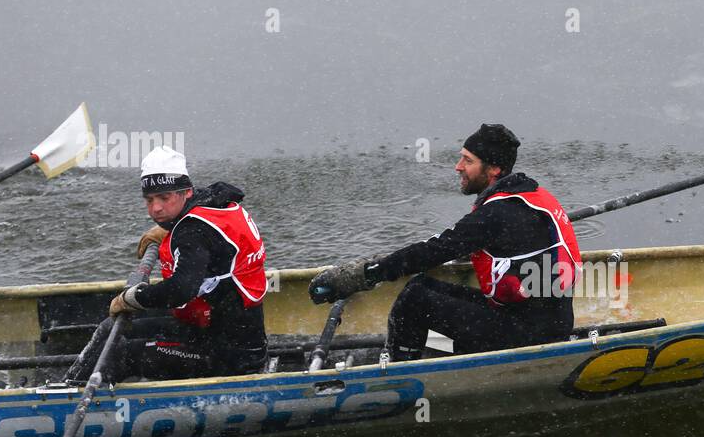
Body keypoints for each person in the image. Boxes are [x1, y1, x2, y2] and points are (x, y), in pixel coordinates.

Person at [309, 124, 580, 361]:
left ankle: (403, 373)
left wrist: (364, 275)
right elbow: (516, 244)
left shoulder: (495, 214)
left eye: (468, 161)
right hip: (545, 321)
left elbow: (430, 251)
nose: (458, 167)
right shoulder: (533, 195)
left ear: (494, 168)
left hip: (528, 336)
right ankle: (434, 355)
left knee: (414, 300)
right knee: (420, 284)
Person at [107, 146, 269, 379]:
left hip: (228, 358)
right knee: (110, 329)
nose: (156, 208)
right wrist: (169, 228)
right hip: (230, 337)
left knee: (122, 352)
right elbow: (206, 233)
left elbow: (181, 290)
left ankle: (71, 394)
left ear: (186, 193)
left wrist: (131, 298)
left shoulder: (192, 231)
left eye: (165, 198)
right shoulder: (215, 201)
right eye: (149, 199)